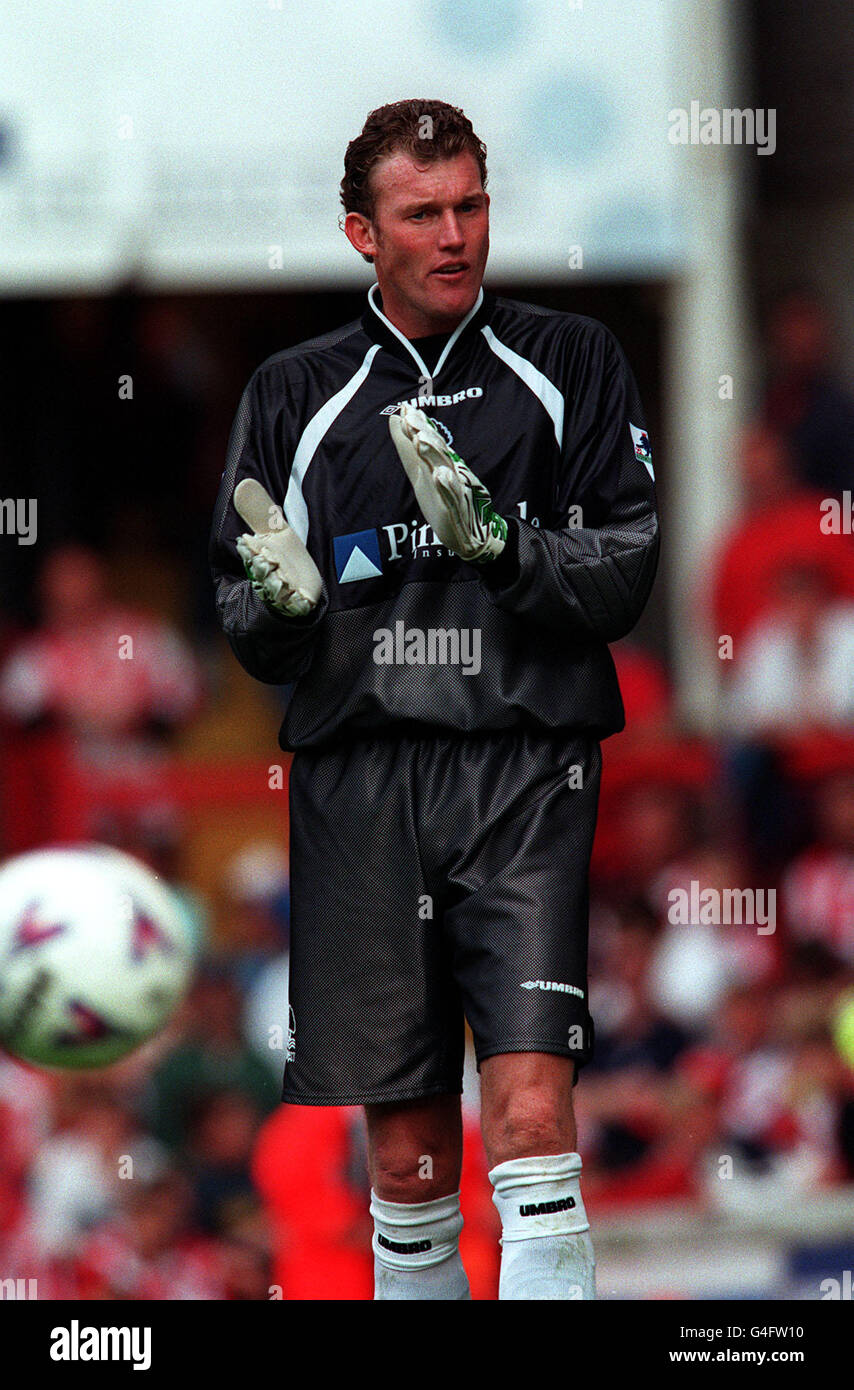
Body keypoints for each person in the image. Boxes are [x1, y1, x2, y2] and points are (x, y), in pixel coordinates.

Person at [210, 99, 660, 1300]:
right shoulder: (293, 393)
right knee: (408, 1160)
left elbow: (623, 570)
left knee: (523, 1119)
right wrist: (288, 610)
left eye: (470, 205)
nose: (455, 234)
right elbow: (244, 620)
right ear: (363, 233)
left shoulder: (569, 360)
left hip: (524, 767)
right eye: (423, 214)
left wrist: (506, 547)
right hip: (360, 782)